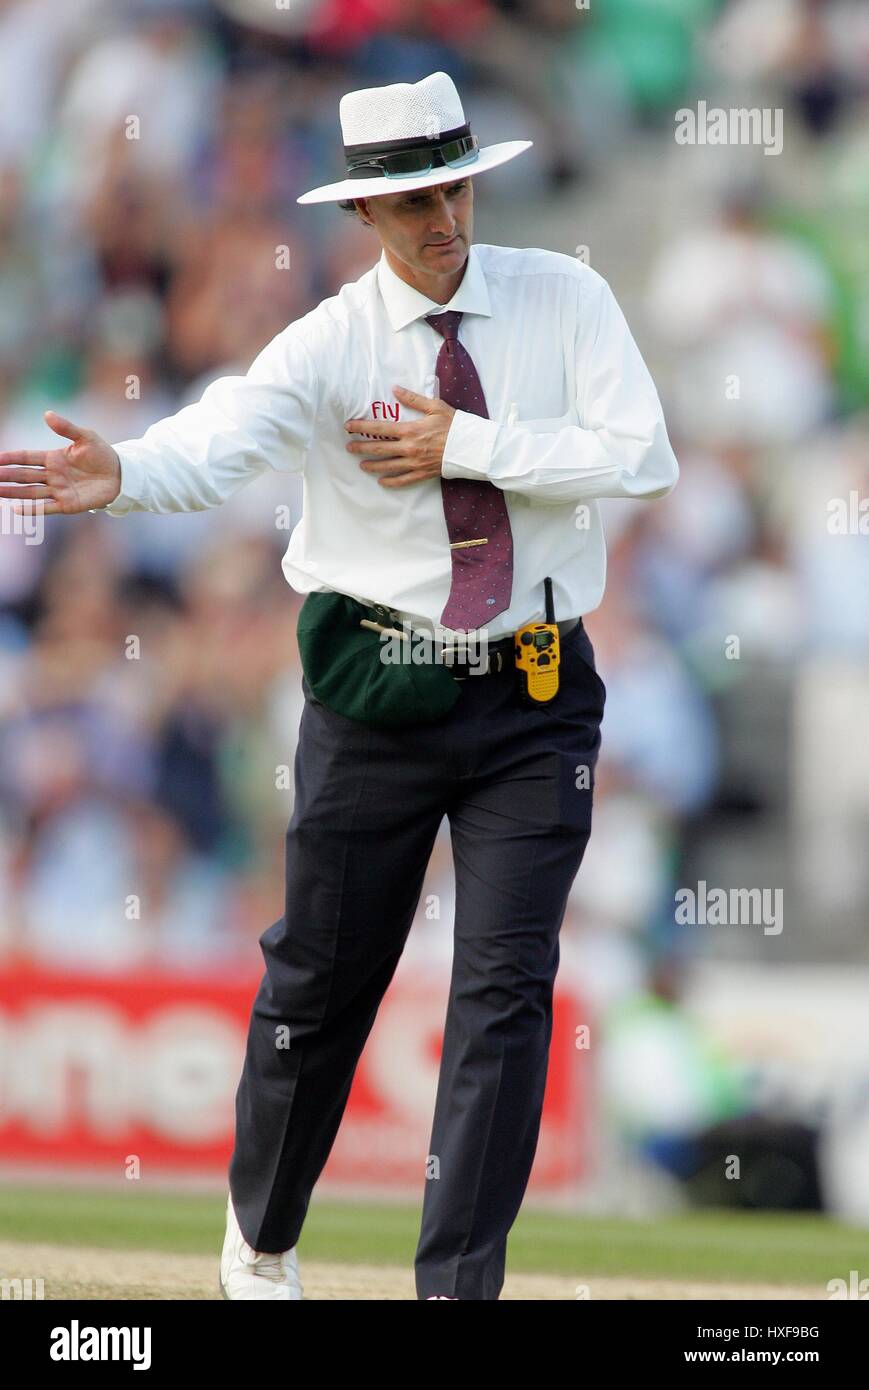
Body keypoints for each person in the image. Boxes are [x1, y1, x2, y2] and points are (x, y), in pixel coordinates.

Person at [0, 71, 679, 1300]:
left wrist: (464, 446)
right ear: (362, 212)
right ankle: (260, 1240)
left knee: (505, 985)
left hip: (531, 686)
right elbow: (222, 437)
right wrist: (126, 473)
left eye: (453, 187)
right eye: (411, 198)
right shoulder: (327, 342)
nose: (441, 218)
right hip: (374, 683)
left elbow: (643, 454)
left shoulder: (564, 296)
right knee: (319, 976)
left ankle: (454, 1286)